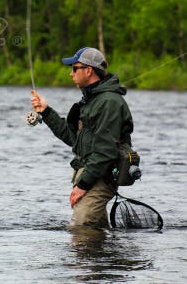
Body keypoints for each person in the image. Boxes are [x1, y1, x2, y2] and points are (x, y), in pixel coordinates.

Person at [30, 46, 133, 228]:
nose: (71, 74)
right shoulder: (90, 101)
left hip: (101, 177)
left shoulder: (109, 103)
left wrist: (83, 185)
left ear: (88, 70)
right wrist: (45, 112)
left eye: (74, 68)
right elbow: (72, 139)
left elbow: (105, 152)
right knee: (95, 232)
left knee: (80, 229)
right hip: (89, 175)